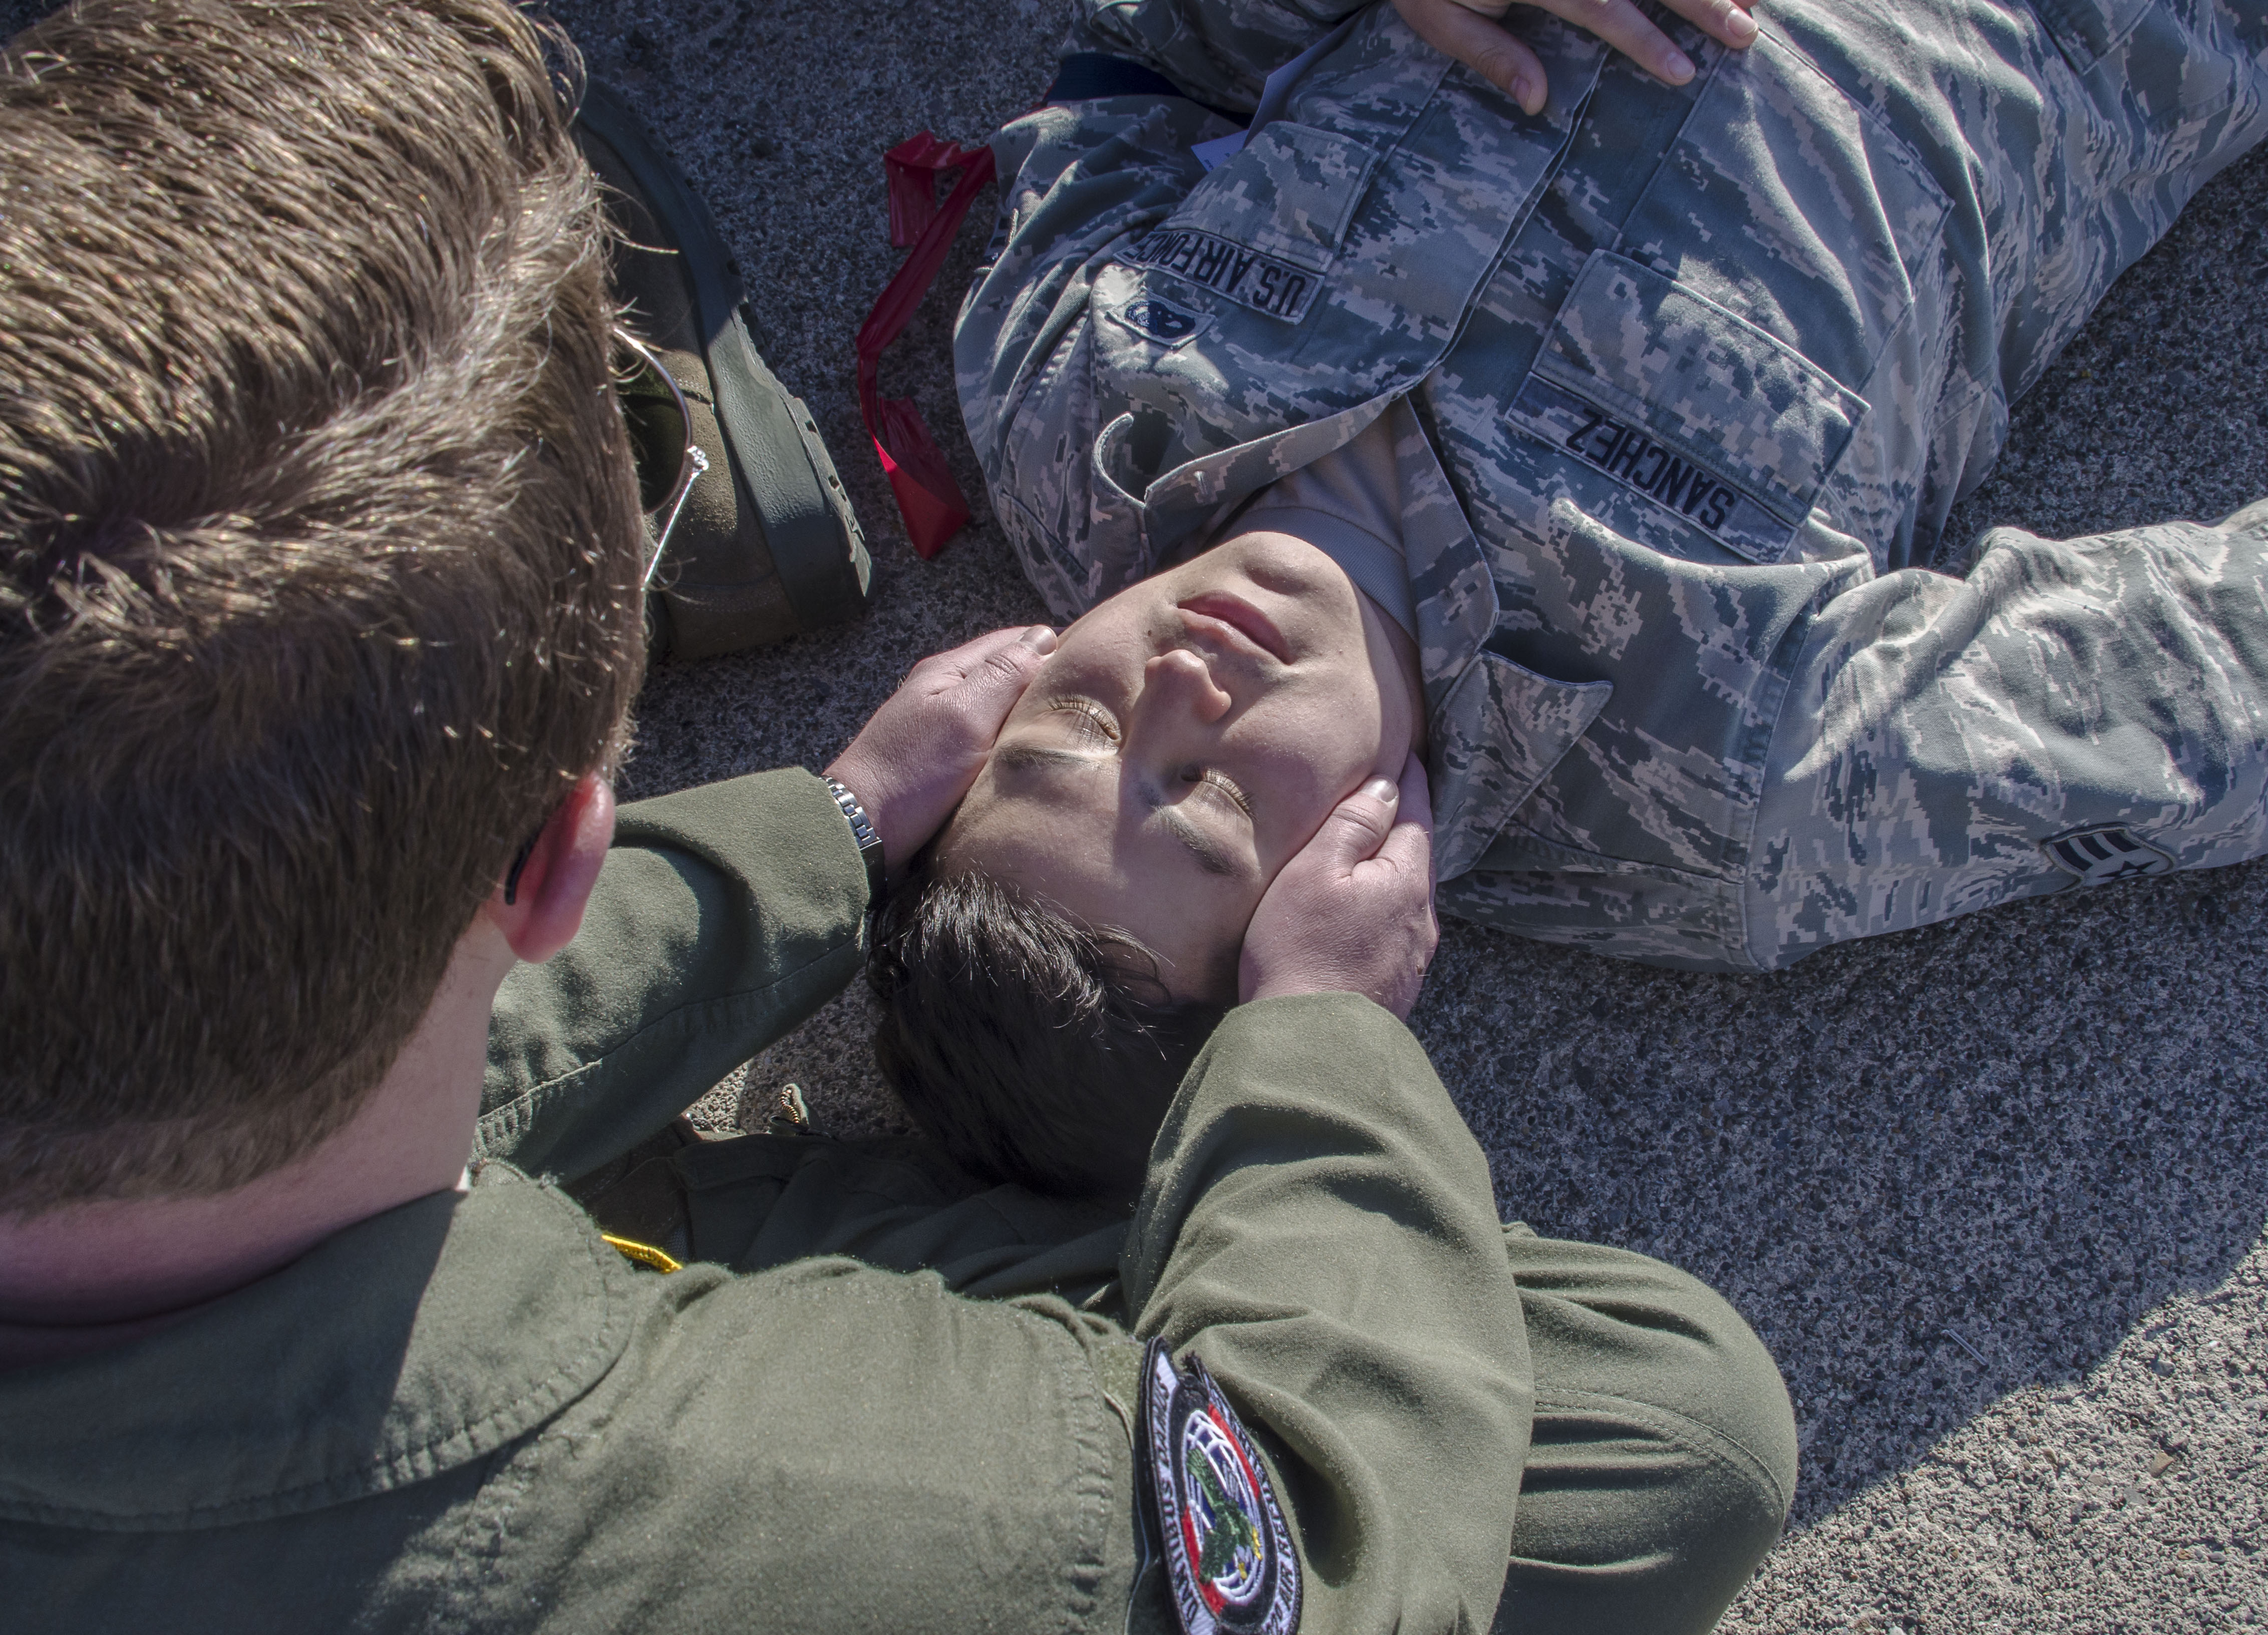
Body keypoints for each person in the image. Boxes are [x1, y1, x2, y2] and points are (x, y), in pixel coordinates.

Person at [0, 4, 1796, 1631]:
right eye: (656, 458)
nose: (1177, 688)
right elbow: (1493, 1493)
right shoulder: (878, 1521)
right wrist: (1318, 1044)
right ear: (558, 861)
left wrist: (843, 830)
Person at [881, 0, 2268, 1176]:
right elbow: (2262, 668)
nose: (1175, 685)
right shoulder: (1727, 776)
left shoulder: (1068, 404)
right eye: (1208, 803)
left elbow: (1135, 63)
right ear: (1346, 919)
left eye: (1072, 731)